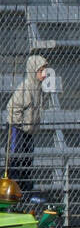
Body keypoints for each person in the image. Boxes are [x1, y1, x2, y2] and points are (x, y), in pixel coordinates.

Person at [6, 55, 50, 194]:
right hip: (18, 130)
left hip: (29, 132)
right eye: (41, 70)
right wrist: (22, 124)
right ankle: (12, 192)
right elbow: (12, 108)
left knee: (27, 161)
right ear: (33, 71)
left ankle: (25, 192)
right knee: (16, 161)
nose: (44, 73)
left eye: (45, 70)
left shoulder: (40, 88)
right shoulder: (25, 88)